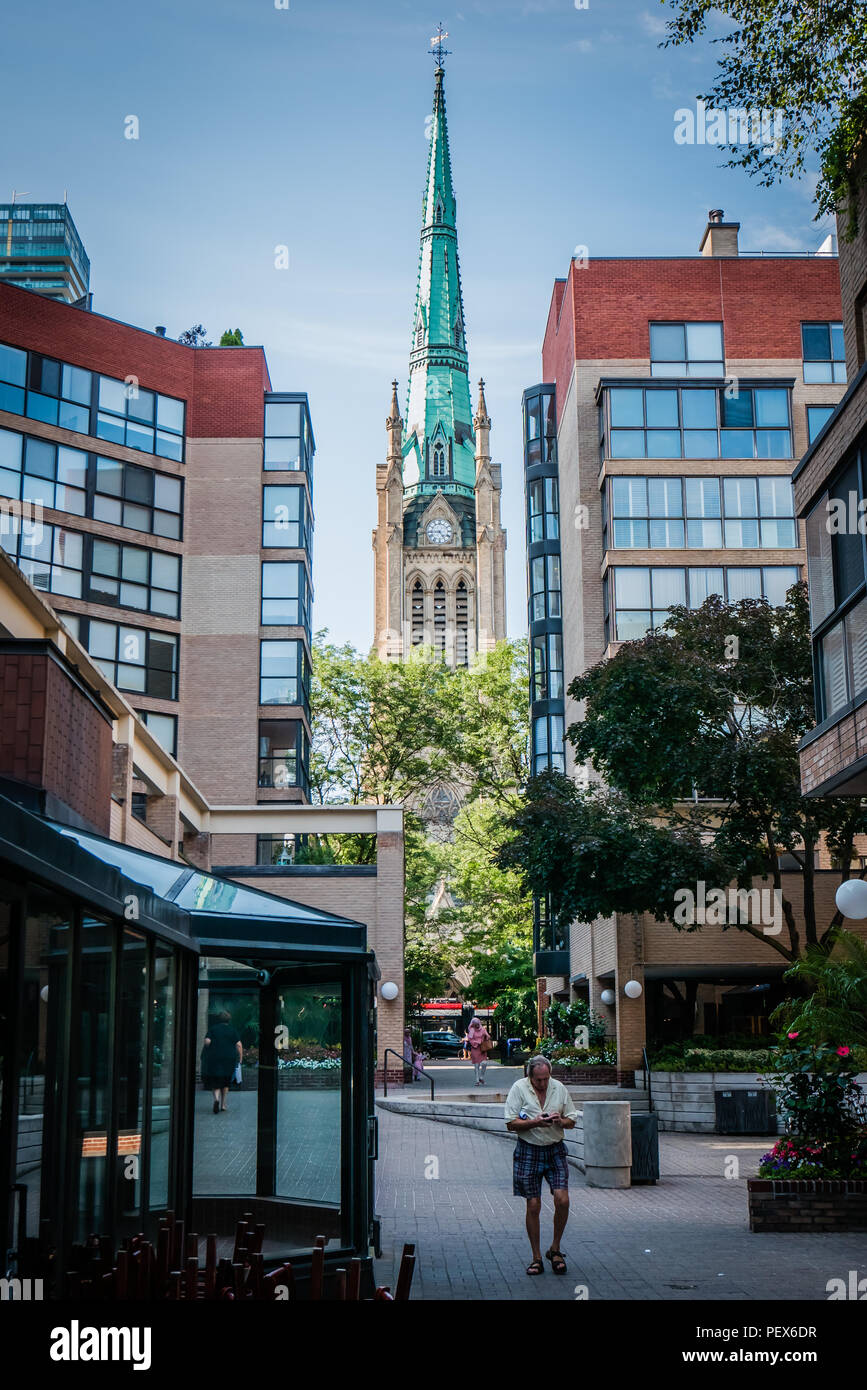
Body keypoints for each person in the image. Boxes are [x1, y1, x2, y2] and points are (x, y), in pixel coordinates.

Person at [504, 1055, 578, 1277]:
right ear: (530, 1077)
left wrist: (559, 1120)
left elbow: (572, 1119)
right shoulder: (518, 1088)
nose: (543, 1083)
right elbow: (510, 1123)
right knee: (533, 1204)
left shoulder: (559, 1088)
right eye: (539, 1080)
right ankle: (536, 1257)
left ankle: (555, 1249)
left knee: (562, 1199)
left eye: (546, 1078)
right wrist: (536, 1122)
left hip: (555, 1149)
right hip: (529, 1149)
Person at [202, 1010, 242, 1114]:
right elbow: (239, 1045)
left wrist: (208, 1046)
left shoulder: (213, 1029)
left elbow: (207, 1042)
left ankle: (216, 1099)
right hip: (229, 1059)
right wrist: (240, 1058)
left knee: (216, 1081)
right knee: (226, 1082)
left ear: (218, 1019)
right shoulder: (232, 1030)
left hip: (215, 1058)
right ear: (229, 1020)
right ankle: (223, 1105)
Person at [466, 1016, 492, 1085]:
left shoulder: (483, 1029)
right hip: (475, 1049)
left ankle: (481, 1077)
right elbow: (470, 1039)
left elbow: (488, 1036)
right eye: (475, 1024)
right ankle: (477, 1080)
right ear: (473, 1024)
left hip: (482, 1049)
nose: (477, 1025)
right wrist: (477, 1042)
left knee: (484, 1063)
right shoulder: (472, 1030)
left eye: (478, 1024)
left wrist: (487, 1036)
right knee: (476, 1065)